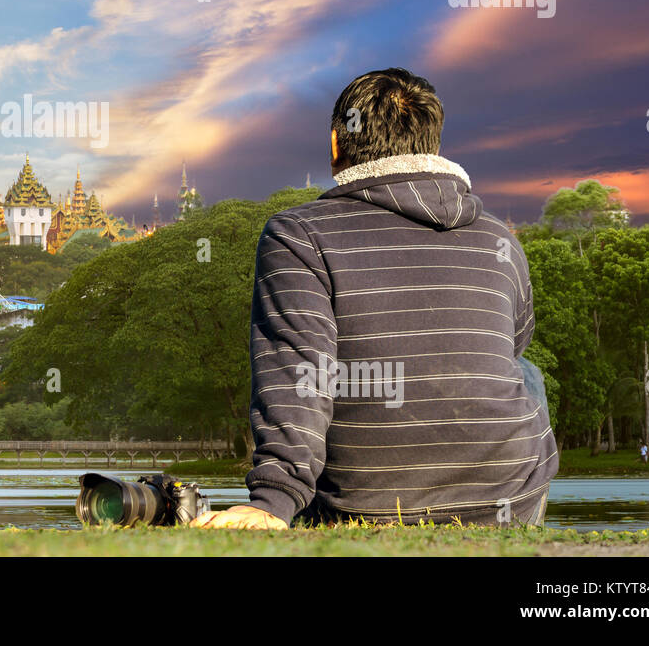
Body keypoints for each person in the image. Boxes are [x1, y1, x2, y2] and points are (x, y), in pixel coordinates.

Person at [194, 68, 557, 529]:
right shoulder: (498, 237)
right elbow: (513, 342)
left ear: (336, 143)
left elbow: (299, 370)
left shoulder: (298, 234)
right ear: (433, 144)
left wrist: (273, 501)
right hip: (508, 502)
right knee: (525, 370)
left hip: (365, 505)